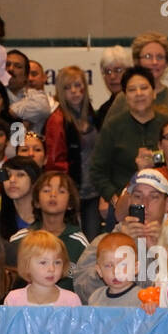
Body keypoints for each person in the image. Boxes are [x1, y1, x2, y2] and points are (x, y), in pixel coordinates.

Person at [71, 169, 168, 302]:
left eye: (154, 197)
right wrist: (117, 245)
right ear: (129, 201)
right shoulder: (104, 241)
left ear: (167, 204)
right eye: (138, 196)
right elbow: (82, 290)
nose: (145, 204)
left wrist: (160, 251)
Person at [91, 67, 168, 208]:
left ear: (154, 93)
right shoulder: (113, 126)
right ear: (125, 96)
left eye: (144, 88)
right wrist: (115, 199)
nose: (139, 94)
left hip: (165, 204)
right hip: (124, 206)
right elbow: (97, 171)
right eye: (132, 90)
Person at [43, 65, 100, 239]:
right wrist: (65, 191)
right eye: (67, 88)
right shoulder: (57, 120)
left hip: (95, 192)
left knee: (92, 242)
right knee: (71, 241)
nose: (74, 91)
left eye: (77, 85)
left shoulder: (93, 115)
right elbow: (55, 163)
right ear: (60, 92)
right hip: (71, 193)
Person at [104, 32, 168, 124]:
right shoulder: (122, 99)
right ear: (137, 61)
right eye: (148, 56)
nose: (154, 62)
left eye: (160, 57)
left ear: (167, 63)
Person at [4, 229, 81, 307]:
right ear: (26, 265)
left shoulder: (71, 300)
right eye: (43, 263)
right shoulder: (13, 299)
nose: (51, 269)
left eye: (57, 262)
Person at [3, 50, 53, 133]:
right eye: (7, 65)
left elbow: (43, 108)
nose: (11, 69)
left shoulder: (35, 96)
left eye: (17, 66)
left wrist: (7, 112)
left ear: (26, 76)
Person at [88, 231, 142, 307]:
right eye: (109, 266)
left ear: (135, 268)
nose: (116, 272)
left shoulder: (143, 299)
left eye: (123, 265)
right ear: (99, 271)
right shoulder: (95, 298)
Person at [0, 155, 41, 239]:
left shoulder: (47, 219)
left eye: (20, 175)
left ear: (34, 181)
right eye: (7, 175)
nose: (12, 180)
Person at [93, 45, 131, 130]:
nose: (112, 76)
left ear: (129, 72)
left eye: (118, 70)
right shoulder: (103, 111)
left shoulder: (139, 104)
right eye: (108, 71)